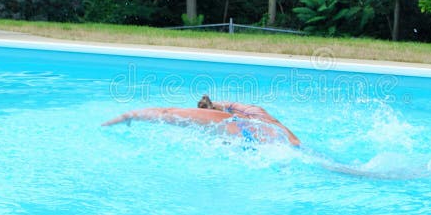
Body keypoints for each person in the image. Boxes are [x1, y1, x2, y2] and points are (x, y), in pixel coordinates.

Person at [102, 95, 301, 146]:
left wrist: (129, 115)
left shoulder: (220, 121)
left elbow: (166, 113)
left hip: (260, 144)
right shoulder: (257, 112)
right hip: (291, 143)